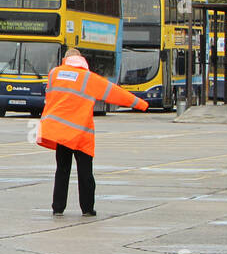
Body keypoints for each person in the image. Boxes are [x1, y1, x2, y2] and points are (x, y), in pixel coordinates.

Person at [36, 48, 147, 217]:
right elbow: (114, 93)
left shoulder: (54, 74)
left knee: (62, 170)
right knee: (85, 172)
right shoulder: (89, 78)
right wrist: (141, 104)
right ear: (81, 60)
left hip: (61, 132)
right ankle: (87, 208)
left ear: (66, 60)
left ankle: (58, 207)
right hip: (81, 134)